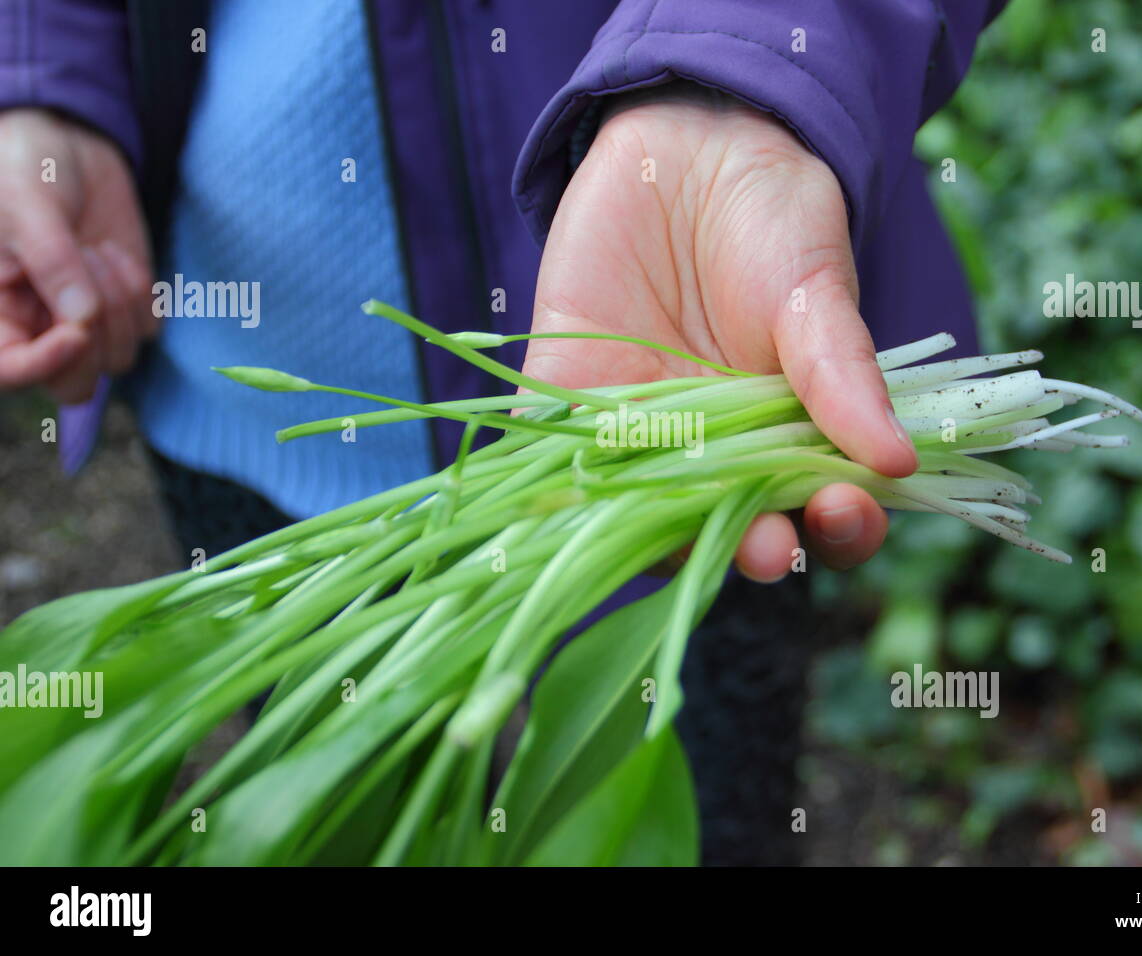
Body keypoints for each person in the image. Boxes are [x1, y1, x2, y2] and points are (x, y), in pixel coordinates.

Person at [0, 0, 1002, 864]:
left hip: (686, 350)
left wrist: (736, 64)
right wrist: (49, 81)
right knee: (328, 786)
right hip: (242, 391)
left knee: (711, 801)